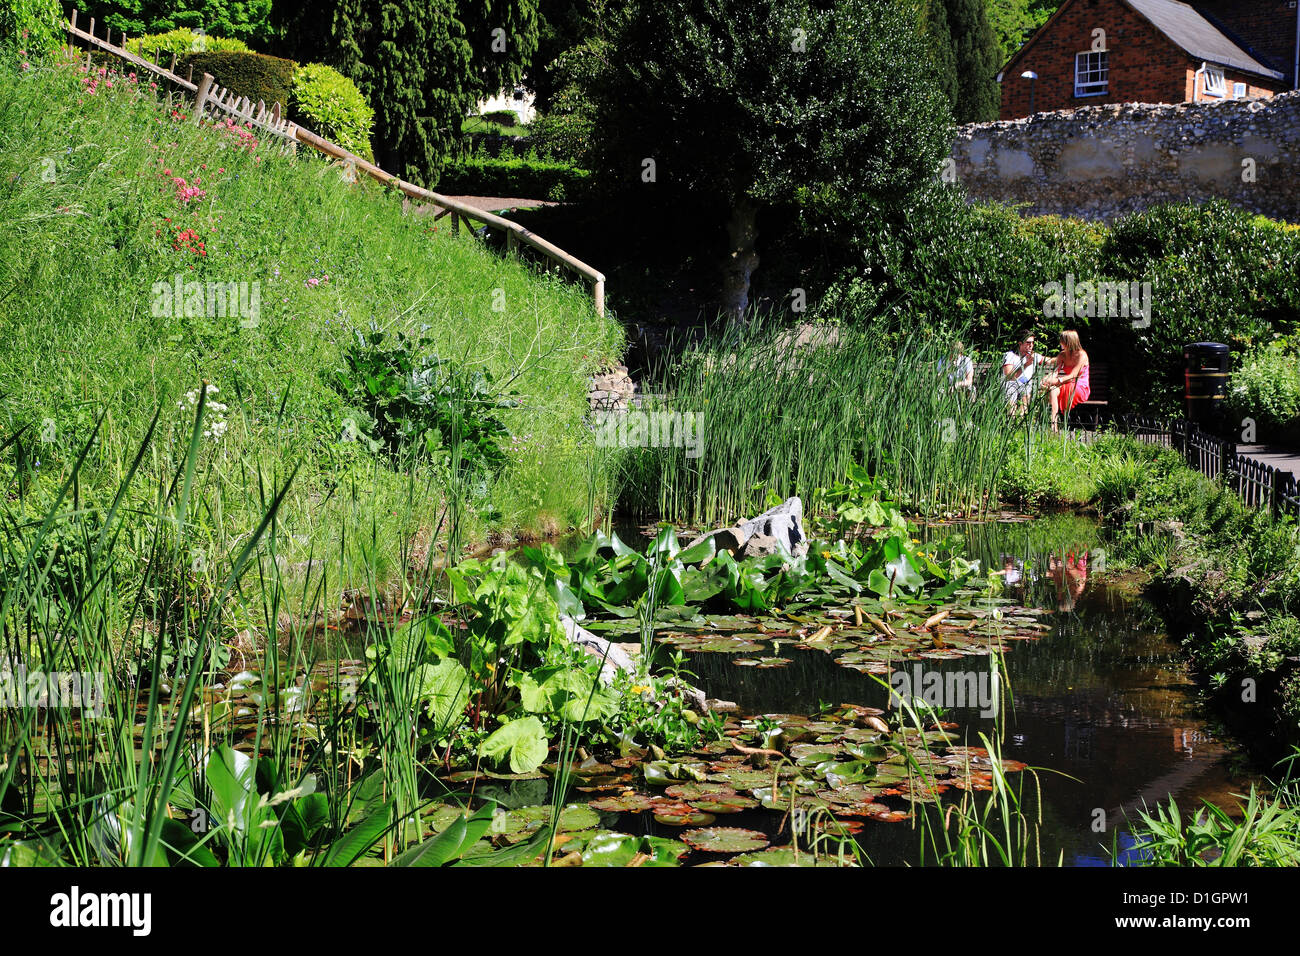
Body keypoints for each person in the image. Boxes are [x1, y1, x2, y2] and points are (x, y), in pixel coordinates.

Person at [1042, 329, 1091, 432]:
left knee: (1066, 387)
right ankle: (1053, 424)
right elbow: (1055, 371)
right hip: (1065, 383)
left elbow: (1073, 375)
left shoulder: (1082, 355)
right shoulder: (1062, 355)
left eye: (1062, 341)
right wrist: (1047, 379)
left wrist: (1057, 381)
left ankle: (1061, 420)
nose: (1060, 343)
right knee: (1052, 390)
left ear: (1069, 342)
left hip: (1078, 385)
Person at [1001, 330, 1042, 414]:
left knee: (1027, 388)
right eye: (1028, 342)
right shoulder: (1010, 355)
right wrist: (1026, 364)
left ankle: (1022, 417)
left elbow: (1050, 361)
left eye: (1032, 342)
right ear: (1020, 344)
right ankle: (1012, 416)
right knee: (1012, 386)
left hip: (1026, 387)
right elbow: (1009, 376)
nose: (1031, 345)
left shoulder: (1033, 356)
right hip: (1010, 385)